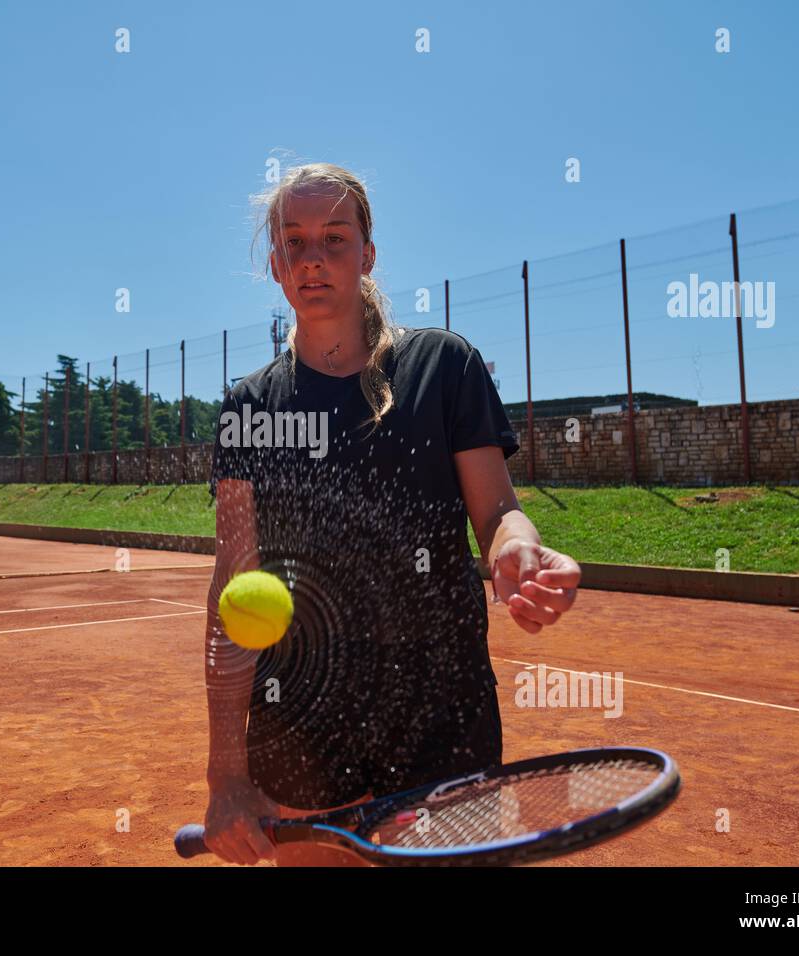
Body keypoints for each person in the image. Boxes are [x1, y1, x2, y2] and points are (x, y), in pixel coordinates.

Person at [203, 163, 581, 866]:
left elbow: (499, 511)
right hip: (301, 734)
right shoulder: (247, 410)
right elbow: (233, 585)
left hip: (443, 724)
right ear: (277, 267)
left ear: (367, 255)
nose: (313, 256)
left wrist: (518, 548)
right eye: (294, 242)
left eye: (335, 238)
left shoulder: (446, 367)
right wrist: (226, 773)